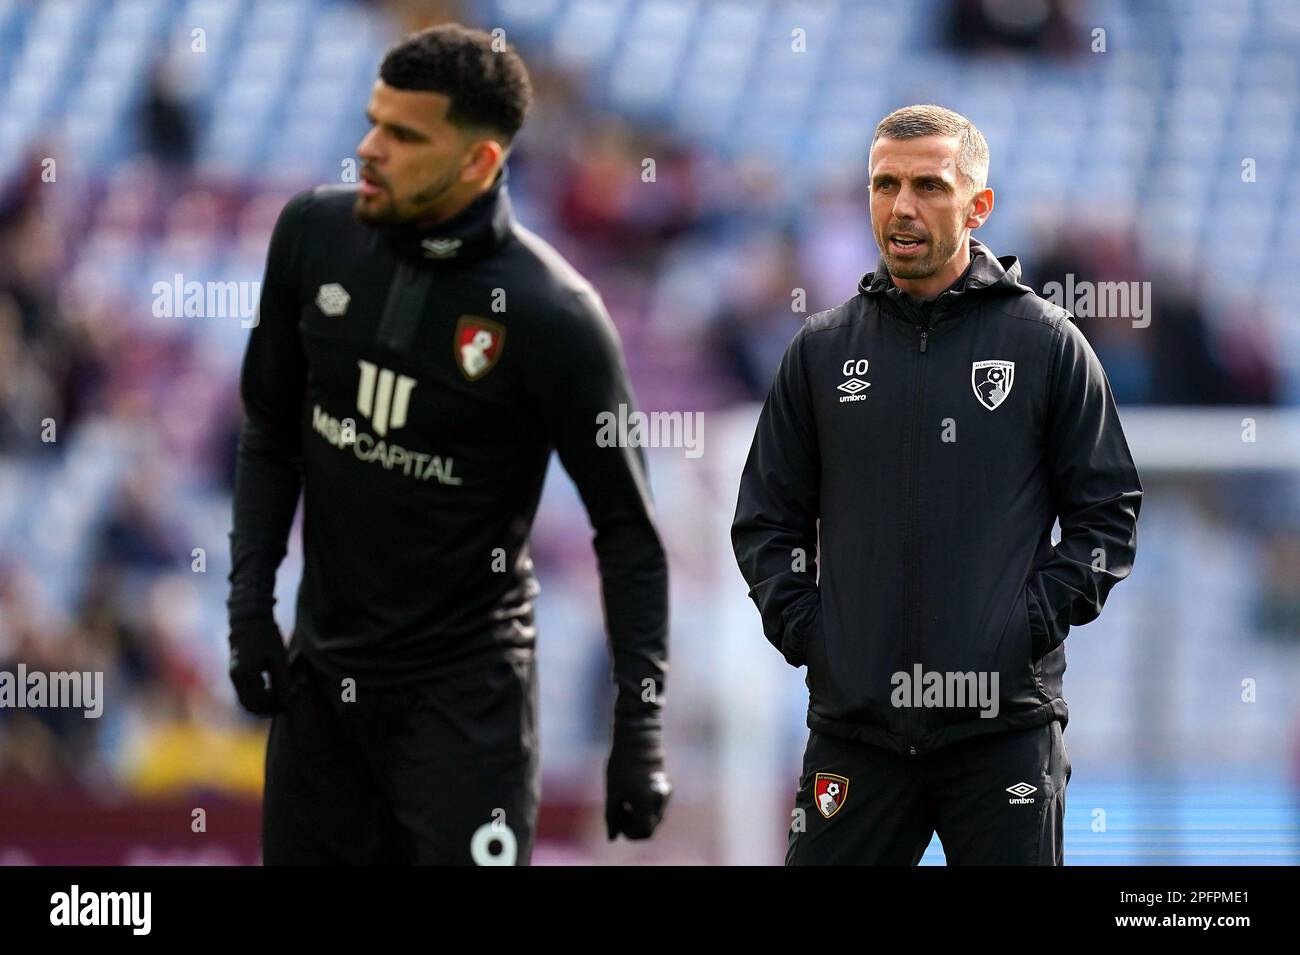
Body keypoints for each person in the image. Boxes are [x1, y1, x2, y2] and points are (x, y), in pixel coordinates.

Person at [227, 24, 671, 865]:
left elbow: (629, 533)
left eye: (402, 134)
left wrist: (638, 729)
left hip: (467, 710)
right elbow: (270, 428)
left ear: (477, 162)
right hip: (321, 689)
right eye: (372, 121)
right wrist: (249, 608)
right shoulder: (313, 236)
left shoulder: (556, 317)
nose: (367, 148)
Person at [731, 104, 1142, 865]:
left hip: (1002, 730)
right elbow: (766, 519)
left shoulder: (1047, 342)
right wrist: (815, 636)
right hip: (858, 731)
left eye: (929, 185)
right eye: (884, 184)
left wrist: (1022, 626)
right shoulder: (820, 352)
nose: (903, 206)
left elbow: (1107, 515)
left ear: (978, 205)